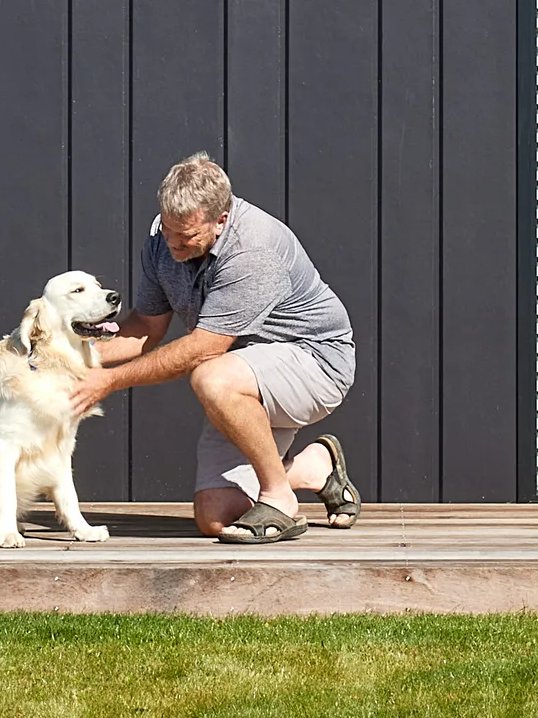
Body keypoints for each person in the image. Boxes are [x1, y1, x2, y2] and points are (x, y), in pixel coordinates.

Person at [71, 153, 361, 541]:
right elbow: (145, 328)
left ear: (221, 220)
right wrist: (73, 361)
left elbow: (204, 349)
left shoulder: (253, 249)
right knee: (215, 517)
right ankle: (313, 468)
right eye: (168, 228)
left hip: (315, 363)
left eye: (185, 235)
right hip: (245, 376)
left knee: (211, 376)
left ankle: (280, 499)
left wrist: (104, 382)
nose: (171, 242)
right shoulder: (163, 239)